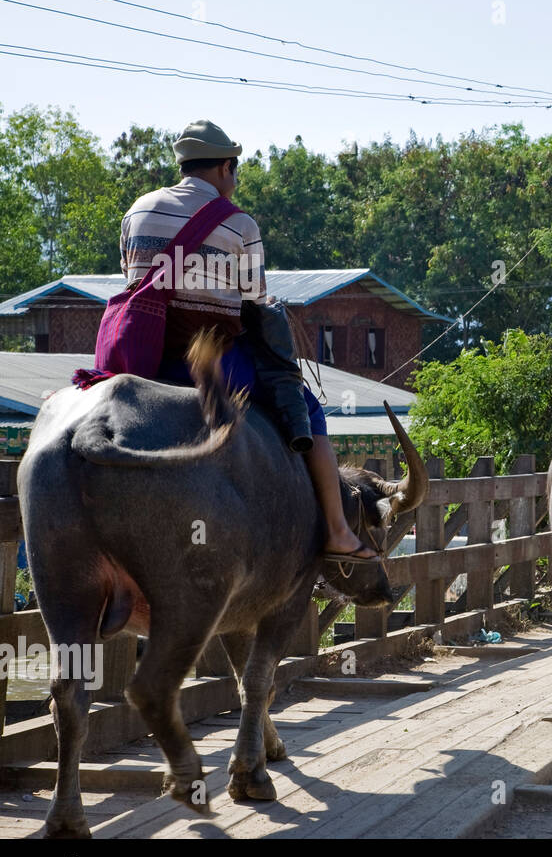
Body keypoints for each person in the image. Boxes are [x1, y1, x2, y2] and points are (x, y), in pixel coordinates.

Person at [120, 119, 378, 563]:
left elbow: (134, 282)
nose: (234, 181)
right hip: (207, 361)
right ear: (224, 168)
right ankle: (337, 530)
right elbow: (253, 300)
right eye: (234, 170)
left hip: (139, 357)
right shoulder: (239, 224)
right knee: (310, 411)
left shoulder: (137, 210)